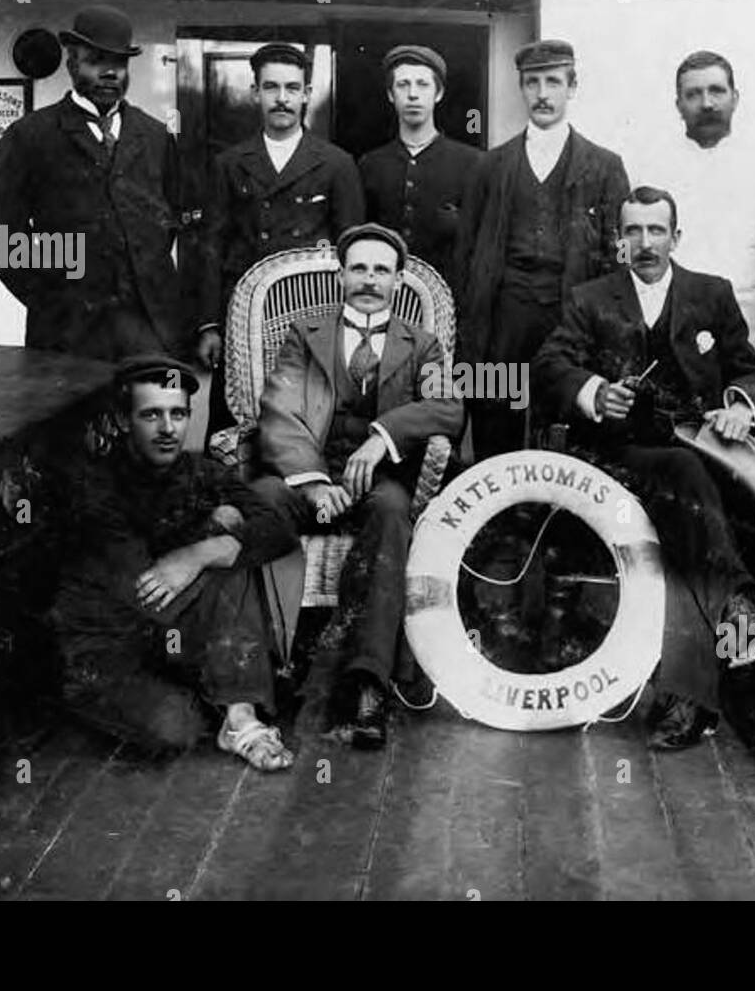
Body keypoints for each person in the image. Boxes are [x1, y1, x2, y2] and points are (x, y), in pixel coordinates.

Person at [531, 187, 755, 749]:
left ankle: (689, 698)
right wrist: (595, 391)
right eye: (633, 231)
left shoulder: (711, 294)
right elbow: (549, 365)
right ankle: (735, 604)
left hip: (700, 453)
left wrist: (740, 407)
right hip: (617, 460)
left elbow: (750, 370)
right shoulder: (591, 298)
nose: (645, 243)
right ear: (620, 239)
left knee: (690, 493)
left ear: (675, 237)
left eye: (656, 230)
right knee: (683, 480)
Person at [249, 223, 464, 750]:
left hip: (378, 478)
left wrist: (382, 437)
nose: (369, 280)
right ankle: (269, 671)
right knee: (264, 501)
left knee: (391, 512)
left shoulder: (422, 345)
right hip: (309, 470)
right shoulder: (305, 333)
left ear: (398, 280)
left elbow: (447, 407)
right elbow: (279, 409)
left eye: (381, 270)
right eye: (359, 269)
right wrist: (314, 483)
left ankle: (367, 684)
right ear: (341, 275)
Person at [46, 355, 303, 771]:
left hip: (168, 637)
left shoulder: (199, 471)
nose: (168, 429)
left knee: (229, 549)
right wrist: (219, 540)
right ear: (123, 420)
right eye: (151, 415)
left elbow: (279, 530)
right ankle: (231, 708)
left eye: (178, 414)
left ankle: (239, 717)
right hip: (108, 649)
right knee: (177, 729)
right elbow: (147, 594)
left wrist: (201, 553)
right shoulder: (97, 487)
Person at [0, 5, 187, 360]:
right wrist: (48, 295)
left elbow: (170, 223)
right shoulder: (30, 136)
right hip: (66, 333)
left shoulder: (155, 137)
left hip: (147, 330)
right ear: (72, 64)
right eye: (96, 61)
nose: (110, 73)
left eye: (119, 63)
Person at [460, 39, 630, 460]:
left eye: (553, 82)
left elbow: (618, 258)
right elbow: (466, 254)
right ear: (520, 88)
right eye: (531, 83)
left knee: (568, 430)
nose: (542, 94)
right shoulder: (490, 166)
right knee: (497, 423)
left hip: (571, 317)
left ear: (572, 87)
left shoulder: (604, 166)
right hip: (504, 318)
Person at [195, 42, 365, 430]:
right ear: (255, 93)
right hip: (243, 318)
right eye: (271, 87)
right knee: (234, 424)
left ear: (307, 94)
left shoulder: (337, 163)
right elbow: (210, 247)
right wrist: (208, 325)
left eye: (292, 88)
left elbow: (352, 254)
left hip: (310, 316)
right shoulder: (229, 163)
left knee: (306, 426)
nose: (282, 99)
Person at [630, 49, 755, 395]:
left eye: (716, 91)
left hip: (749, 339)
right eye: (693, 94)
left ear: (735, 98)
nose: (706, 103)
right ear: (678, 104)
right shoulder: (651, 167)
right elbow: (633, 257)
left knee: (745, 424)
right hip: (671, 337)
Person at [357, 44, 482, 288]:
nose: (412, 94)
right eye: (403, 85)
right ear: (390, 94)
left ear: (438, 93)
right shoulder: (371, 164)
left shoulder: (472, 163)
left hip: (450, 296)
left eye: (423, 85)